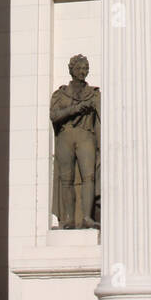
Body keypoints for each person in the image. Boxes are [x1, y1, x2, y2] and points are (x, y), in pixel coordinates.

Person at [50, 55, 100, 229]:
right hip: (66, 136)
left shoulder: (93, 94)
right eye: (79, 68)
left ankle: (87, 217)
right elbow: (54, 115)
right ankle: (69, 218)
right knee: (66, 178)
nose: (82, 71)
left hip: (86, 135)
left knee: (89, 176)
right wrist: (75, 109)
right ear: (71, 70)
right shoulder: (60, 94)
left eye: (85, 68)